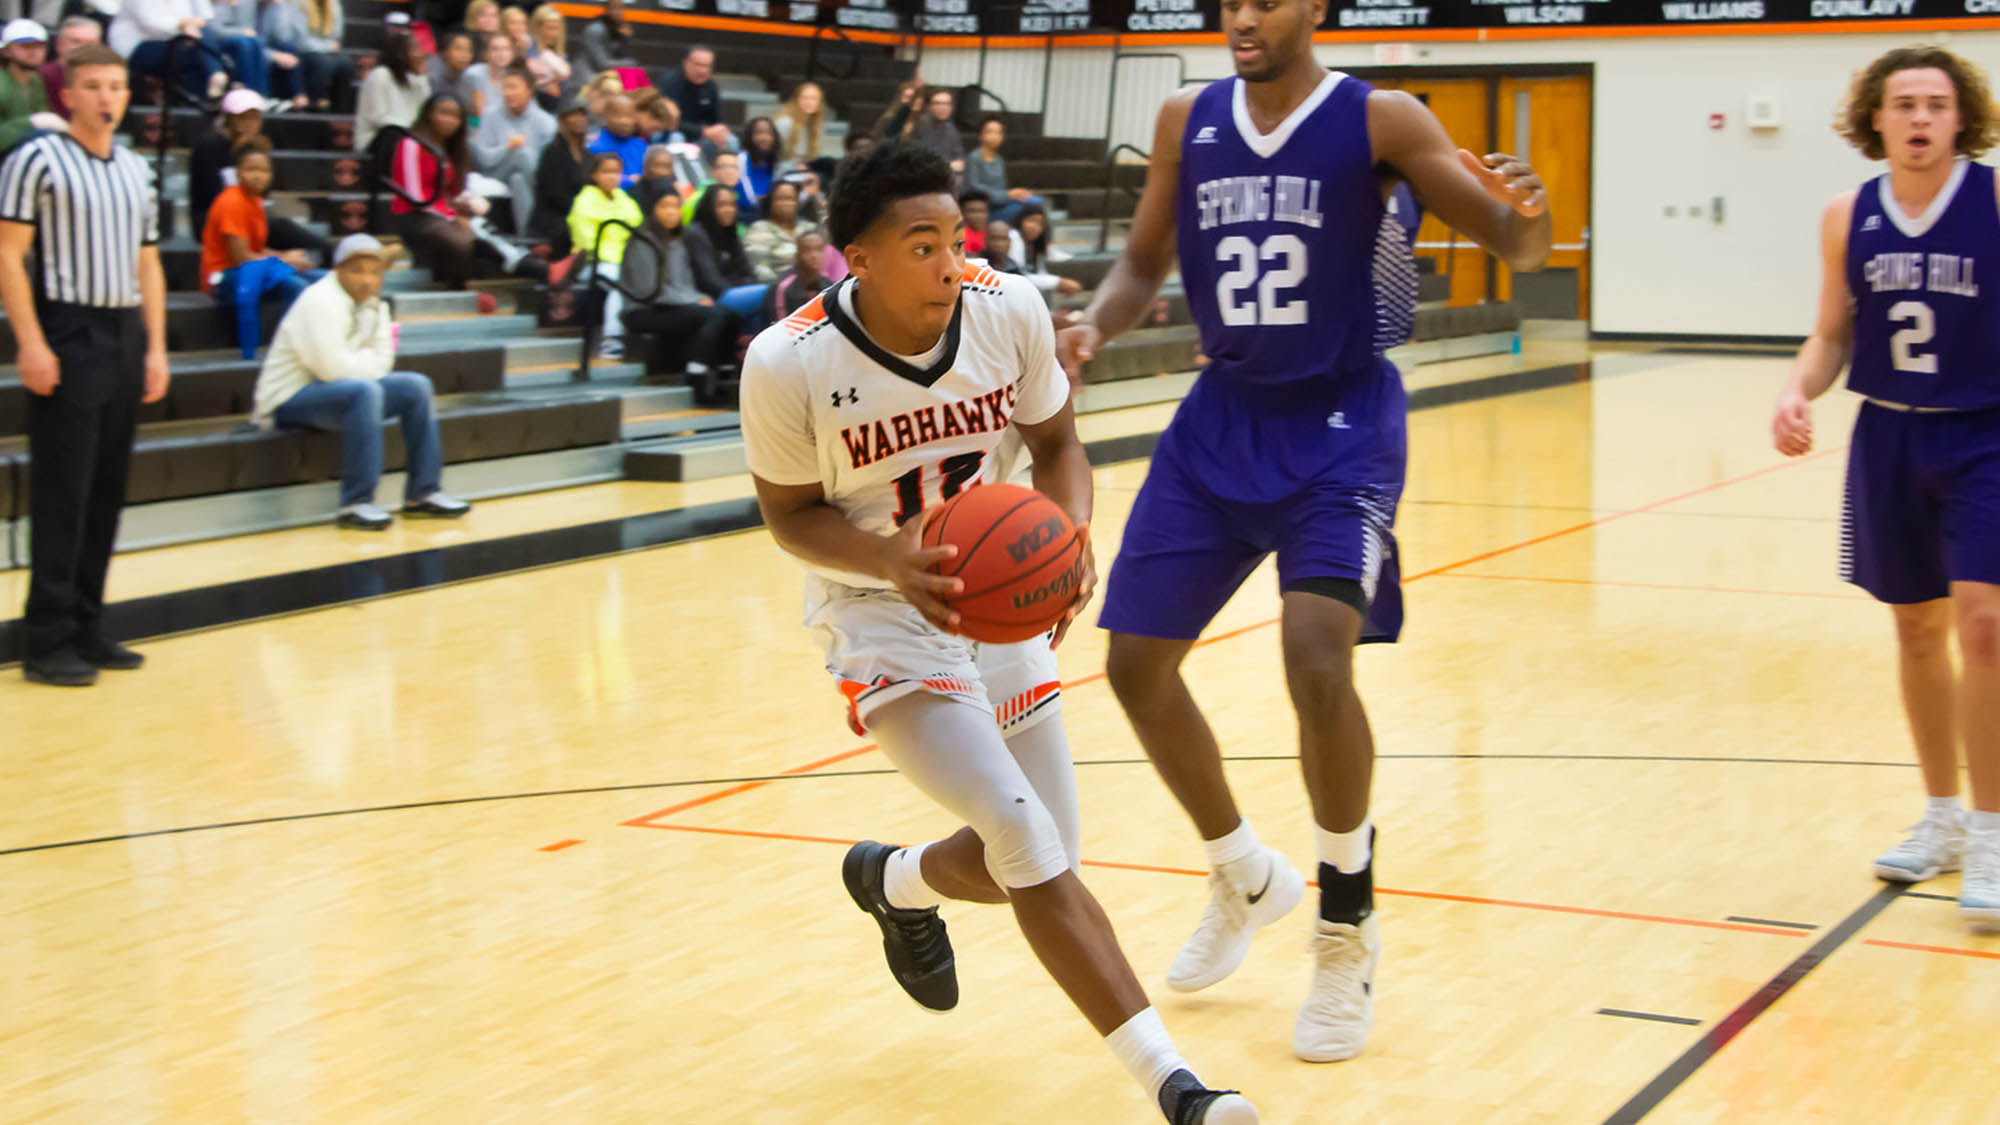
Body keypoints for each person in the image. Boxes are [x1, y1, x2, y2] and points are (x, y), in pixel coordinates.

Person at [1058, 0, 1549, 1063]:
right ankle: (1241, 873)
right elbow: (1141, 264)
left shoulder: (1381, 118)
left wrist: (1529, 213)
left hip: (1340, 427)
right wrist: (1093, 324)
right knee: (1135, 666)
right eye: (1230, 1)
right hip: (1219, 421)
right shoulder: (1186, 118)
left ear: (1313, 8)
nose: (1242, 16)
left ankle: (1345, 922)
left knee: (1315, 657)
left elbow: (1510, 240)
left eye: (1265, 1)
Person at [737, 142, 1258, 1125]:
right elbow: (790, 516)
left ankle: (894, 881)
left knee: (1042, 848)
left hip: (996, 596)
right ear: (859, 258)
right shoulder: (787, 362)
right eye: (921, 245)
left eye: (956, 238)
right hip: (879, 611)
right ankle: (1179, 1090)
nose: (950, 264)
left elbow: (1058, 446)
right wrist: (888, 558)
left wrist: (1068, 533)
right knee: (1023, 836)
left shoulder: (1007, 308)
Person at [1771, 45, 2000, 931]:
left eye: (1936, 104)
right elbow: (1832, 332)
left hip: (1985, 431)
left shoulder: (1992, 198)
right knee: (1915, 628)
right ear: (1876, 117)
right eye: (1903, 103)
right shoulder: (1847, 214)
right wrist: (1797, 388)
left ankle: (1992, 831)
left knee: (1985, 623)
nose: (1919, 118)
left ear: (1960, 118)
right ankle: (1943, 817)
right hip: (1891, 434)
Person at [0, 44, 169, 686]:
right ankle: (45, 639)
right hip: (68, 328)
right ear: (67, 95)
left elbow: (149, 263)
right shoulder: (36, 159)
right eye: (94, 85)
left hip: (124, 332)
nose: (106, 97)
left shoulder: (135, 168)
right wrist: (31, 341)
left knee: (106, 489)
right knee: (63, 489)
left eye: (116, 86)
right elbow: (8, 254)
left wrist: (155, 347)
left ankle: (88, 624)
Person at [254, 234, 472, 530]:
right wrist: (364, 364)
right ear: (338, 270)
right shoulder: (319, 300)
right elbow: (330, 369)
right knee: (365, 391)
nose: (367, 280)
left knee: (416, 386)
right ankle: (356, 503)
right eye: (357, 271)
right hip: (287, 400)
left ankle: (423, 493)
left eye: (374, 272)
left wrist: (357, 364)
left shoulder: (376, 306)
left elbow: (383, 362)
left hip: (340, 393)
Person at [390, 92, 542, 283]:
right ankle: (540, 270)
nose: (449, 120)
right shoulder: (411, 144)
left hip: (442, 216)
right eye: (443, 113)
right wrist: (453, 215)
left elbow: (452, 193)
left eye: (456, 116)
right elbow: (416, 197)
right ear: (428, 114)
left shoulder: (451, 150)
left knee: (483, 238)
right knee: (467, 242)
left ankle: (539, 270)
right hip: (417, 218)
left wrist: (468, 203)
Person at [201, 140, 323, 357]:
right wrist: (284, 261)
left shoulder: (255, 201)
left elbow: (256, 250)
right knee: (295, 285)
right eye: (251, 169)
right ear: (239, 173)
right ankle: (289, 352)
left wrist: (285, 256)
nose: (258, 176)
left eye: (264, 170)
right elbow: (240, 258)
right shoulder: (232, 201)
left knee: (320, 278)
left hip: (252, 271)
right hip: (224, 276)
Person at [620, 182, 738, 390]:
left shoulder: (678, 241)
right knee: (715, 315)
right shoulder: (641, 241)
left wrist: (698, 299)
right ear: (652, 210)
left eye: (676, 206)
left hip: (672, 306)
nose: (671, 212)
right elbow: (648, 291)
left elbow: (683, 283)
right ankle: (697, 371)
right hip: (642, 310)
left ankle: (721, 372)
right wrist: (695, 301)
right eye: (664, 206)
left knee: (729, 314)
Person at [187, 88, 327, 264]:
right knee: (279, 231)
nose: (250, 123)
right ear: (229, 119)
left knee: (298, 237)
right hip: (219, 221)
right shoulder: (209, 146)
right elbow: (209, 194)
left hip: (252, 217)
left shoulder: (257, 147)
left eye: (255, 117)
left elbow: (263, 192)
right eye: (243, 117)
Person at [112, 0, 272, 103]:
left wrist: (190, 25)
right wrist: (181, 25)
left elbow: (199, 18)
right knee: (198, 49)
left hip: (179, 41)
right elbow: (150, 23)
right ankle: (217, 76)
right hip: (138, 47)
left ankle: (251, 97)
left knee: (210, 41)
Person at [567, 151, 640, 359]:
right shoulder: (584, 201)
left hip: (623, 262)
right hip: (591, 263)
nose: (611, 176)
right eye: (606, 171)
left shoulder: (625, 200)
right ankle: (611, 339)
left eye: (616, 172)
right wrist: (619, 258)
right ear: (595, 175)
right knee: (618, 282)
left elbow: (637, 230)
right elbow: (587, 241)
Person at [472, 66, 553, 234]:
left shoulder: (545, 121)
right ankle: (543, 199)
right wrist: (507, 148)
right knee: (520, 153)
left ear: (529, 91)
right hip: (496, 172)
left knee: (518, 179)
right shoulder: (490, 115)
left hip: (528, 176)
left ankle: (526, 237)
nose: (508, 93)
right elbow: (483, 158)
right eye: (505, 88)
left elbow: (548, 164)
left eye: (513, 87)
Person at [685, 182, 762, 323]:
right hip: (710, 299)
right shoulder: (695, 234)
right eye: (721, 205)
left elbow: (749, 272)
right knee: (771, 294)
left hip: (734, 292)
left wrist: (744, 287)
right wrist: (742, 288)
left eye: (732, 205)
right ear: (709, 207)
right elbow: (710, 281)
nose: (728, 210)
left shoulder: (730, 232)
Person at [260, 0, 353, 114]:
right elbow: (298, 40)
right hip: (303, 50)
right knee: (322, 63)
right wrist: (327, 46)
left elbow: (337, 36)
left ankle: (340, 112)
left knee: (346, 63)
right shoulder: (298, 4)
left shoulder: (333, 4)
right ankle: (312, 105)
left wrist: (326, 46)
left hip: (322, 49)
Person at [354, 27, 430, 152]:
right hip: (377, 139)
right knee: (393, 134)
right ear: (400, 53)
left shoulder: (419, 81)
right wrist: (410, 133)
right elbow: (378, 118)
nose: (422, 54)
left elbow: (425, 114)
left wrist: (422, 76)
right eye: (415, 49)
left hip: (409, 138)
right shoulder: (380, 75)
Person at [530, 96, 590, 254]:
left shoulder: (588, 156)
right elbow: (555, 193)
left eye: (582, 114)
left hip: (582, 215)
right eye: (573, 114)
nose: (578, 119)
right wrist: (583, 211)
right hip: (554, 221)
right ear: (563, 119)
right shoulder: (553, 152)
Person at [965, 114, 1043, 226]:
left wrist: (1017, 194)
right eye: (990, 132)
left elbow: (1002, 189)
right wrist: (1008, 195)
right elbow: (974, 188)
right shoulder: (974, 158)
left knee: (1036, 201)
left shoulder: (999, 160)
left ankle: (1042, 237)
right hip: (984, 209)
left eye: (998, 133)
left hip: (1001, 203)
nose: (994, 136)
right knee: (1024, 210)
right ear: (981, 135)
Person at [0, 19, 59, 154]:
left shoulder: (36, 81)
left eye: (39, 46)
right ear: (6, 51)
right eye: (25, 46)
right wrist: (31, 122)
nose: (34, 52)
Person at [654, 43, 729, 150]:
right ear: (685, 63)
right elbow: (667, 121)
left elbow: (717, 119)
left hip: (702, 134)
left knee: (730, 140)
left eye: (707, 66)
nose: (703, 70)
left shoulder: (711, 86)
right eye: (698, 65)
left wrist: (720, 130)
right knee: (676, 138)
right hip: (671, 131)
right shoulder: (669, 82)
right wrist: (702, 131)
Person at [743, 178, 817, 282]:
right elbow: (759, 269)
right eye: (780, 199)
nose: (786, 203)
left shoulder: (809, 228)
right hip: (778, 287)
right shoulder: (759, 230)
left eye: (790, 198)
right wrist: (788, 286)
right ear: (771, 202)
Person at [37, 16, 98, 121]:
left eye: (90, 43)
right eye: (76, 41)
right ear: (59, 44)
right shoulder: (43, 77)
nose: (84, 47)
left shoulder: (105, 77)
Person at [765, 226, 828, 321]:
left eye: (819, 249)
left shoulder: (829, 285)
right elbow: (780, 325)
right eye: (807, 250)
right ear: (797, 255)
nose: (814, 255)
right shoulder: (782, 287)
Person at [586, 90, 644, 187]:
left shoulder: (640, 145)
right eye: (618, 116)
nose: (625, 122)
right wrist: (629, 180)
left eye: (629, 116)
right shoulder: (595, 147)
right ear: (605, 117)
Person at [460, 28, 515, 125]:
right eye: (495, 49)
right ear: (486, 53)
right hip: (475, 125)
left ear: (512, 53)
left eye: (506, 49)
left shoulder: (515, 78)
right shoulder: (475, 74)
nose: (501, 54)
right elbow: (481, 114)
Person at [524, 3, 575, 109]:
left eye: (557, 28)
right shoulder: (527, 46)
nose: (554, 33)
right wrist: (547, 84)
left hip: (554, 101)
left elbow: (563, 83)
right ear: (538, 28)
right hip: (531, 99)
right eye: (550, 28)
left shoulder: (560, 55)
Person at [575, 0, 637, 79]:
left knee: (636, 75)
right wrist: (631, 63)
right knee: (631, 74)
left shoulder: (614, 32)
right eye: (615, 8)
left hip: (604, 76)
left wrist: (624, 39)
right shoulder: (595, 30)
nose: (619, 12)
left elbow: (620, 57)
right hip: (587, 77)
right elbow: (602, 64)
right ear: (606, 9)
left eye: (621, 8)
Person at [909, 87, 963, 175]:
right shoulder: (918, 126)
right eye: (937, 103)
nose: (943, 107)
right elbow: (918, 161)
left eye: (947, 104)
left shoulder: (951, 129)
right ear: (929, 106)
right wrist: (948, 165)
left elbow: (959, 158)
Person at [425, 29, 478, 115]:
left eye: (469, 50)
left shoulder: (468, 76)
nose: (464, 55)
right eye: (458, 49)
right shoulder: (430, 74)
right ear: (445, 52)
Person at [775, 80, 827, 165]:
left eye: (814, 99)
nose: (809, 102)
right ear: (796, 100)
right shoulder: (784, 123)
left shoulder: (816, 126)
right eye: (805, 98)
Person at [738, 115, 782, 202]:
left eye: (769, 133)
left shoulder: (775, 162)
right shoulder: (740, 159)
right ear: (749, 136)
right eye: (758, 133)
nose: (764, 138)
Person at [872, 76, 921, 142]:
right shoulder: (888, 118)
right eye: (905, 96)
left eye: (911, 98)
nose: (907, 101)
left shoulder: (920, 120)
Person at [957, 189, 988, 256]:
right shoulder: (959, 235)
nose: (978, 216)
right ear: (961, 212)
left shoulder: (993, 233)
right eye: (972, 211)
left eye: (981, 211)